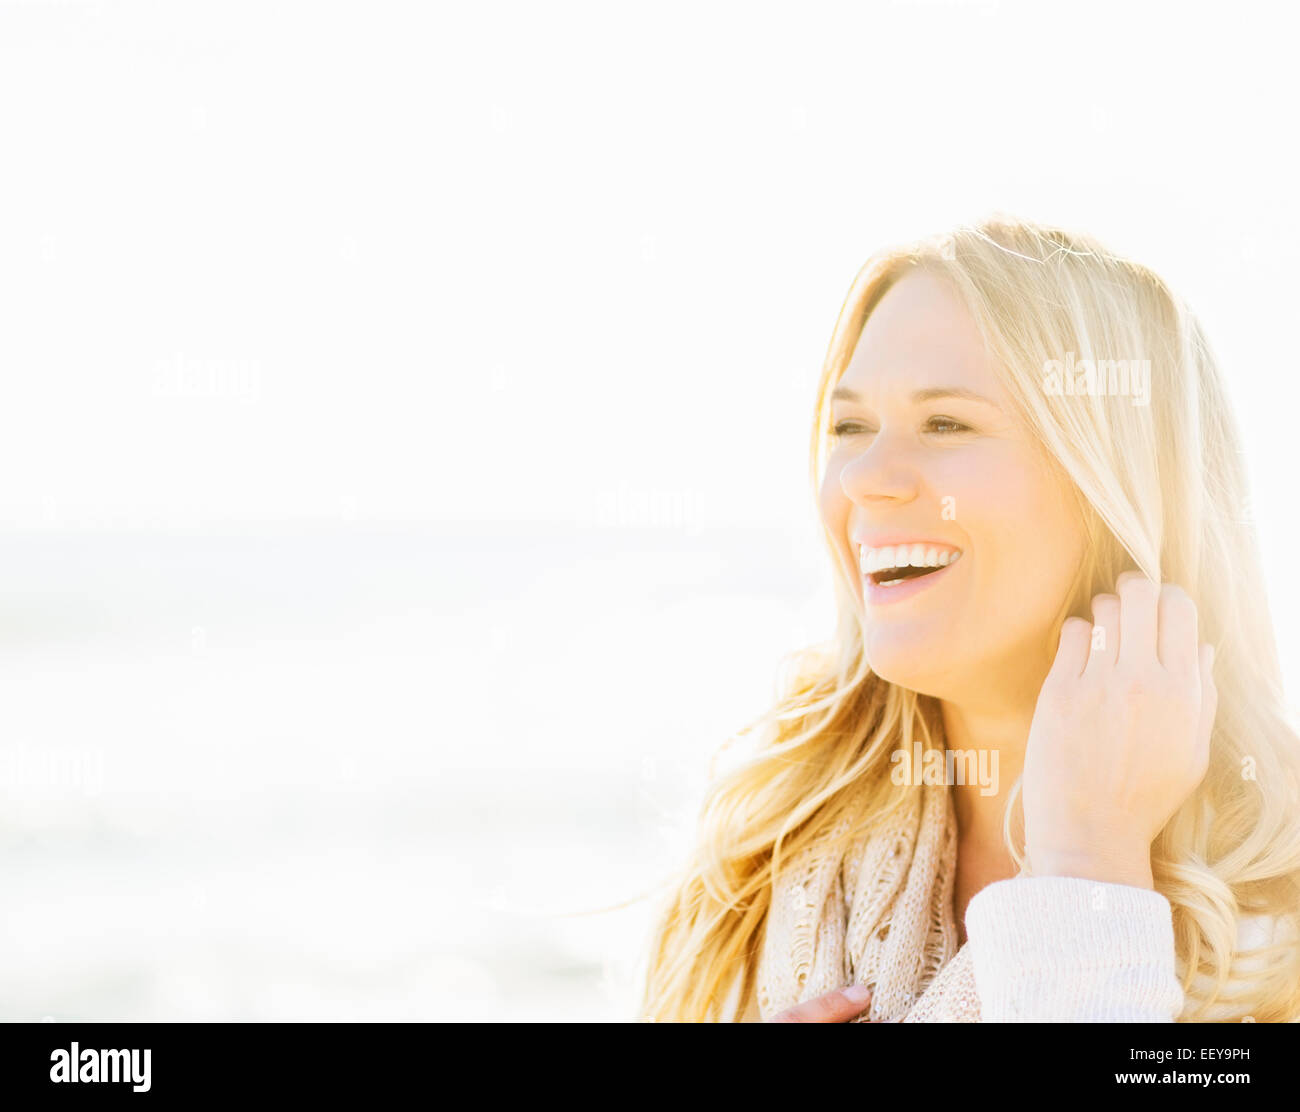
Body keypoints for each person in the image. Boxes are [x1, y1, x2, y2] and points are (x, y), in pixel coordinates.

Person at [637, 217, 1300, 1022]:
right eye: (849, 427)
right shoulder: (755, 867)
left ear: (1113, 480)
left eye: (946, 423)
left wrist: (1089, 868)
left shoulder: (1279, 912)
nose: (867, 479)